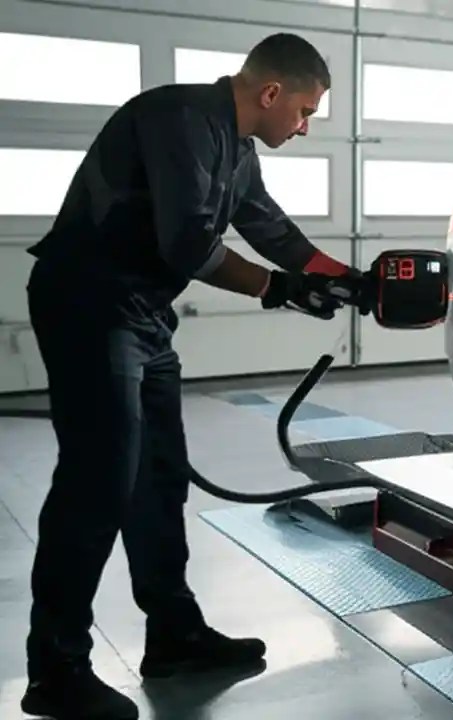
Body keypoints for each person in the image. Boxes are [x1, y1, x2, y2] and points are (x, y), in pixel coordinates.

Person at [20, 32, 354, 720]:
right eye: (305, 110)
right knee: (99, 480)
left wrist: (353, 283)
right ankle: (55, 670)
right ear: (271, 93)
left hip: (142, 314)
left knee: (159, 476)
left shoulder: (237, 150)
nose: (305, 125)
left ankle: (172, 634)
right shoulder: (179, 119)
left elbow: (273, 230)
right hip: (89, 302)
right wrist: (280, 289)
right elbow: (189, 242)